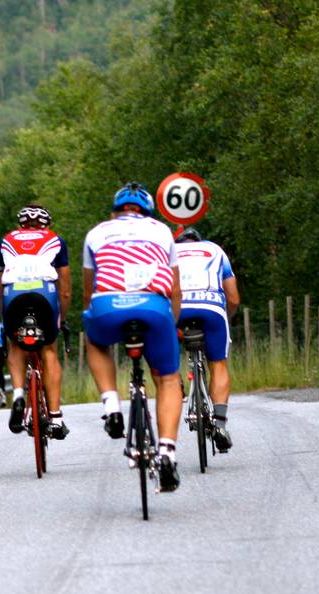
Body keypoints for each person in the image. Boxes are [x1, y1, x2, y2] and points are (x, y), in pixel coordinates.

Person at [81, 182, 182, 492]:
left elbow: (89, 292)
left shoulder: (97, 233)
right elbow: (175, 290)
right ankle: (166, 452)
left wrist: (94, 316)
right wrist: (170, 325)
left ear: (116, 211)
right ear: (147, 212)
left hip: (109, 306)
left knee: (95, 341)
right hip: (153, 308)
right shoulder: (163, 231)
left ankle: (111, 404)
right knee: (167, 379)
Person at [0, 204, 71, 438]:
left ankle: (18, 394)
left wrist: (4, 317)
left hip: (13, 293)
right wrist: (61, 320)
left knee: (16, 343)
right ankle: (56, 418)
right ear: (46, 224)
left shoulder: (6, 240)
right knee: (49, 348)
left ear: (21, 224)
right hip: (44, 292)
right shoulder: (55, 239)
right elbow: (65, 290)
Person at [174, 227, 241, 450]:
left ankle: (174, 383)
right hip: (210, 307)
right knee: (218, 364)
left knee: (166, 359)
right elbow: (233, 298)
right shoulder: (215, 250)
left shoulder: (168, 251)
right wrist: (226, 319)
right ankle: (220, 423)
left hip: (177, 308)